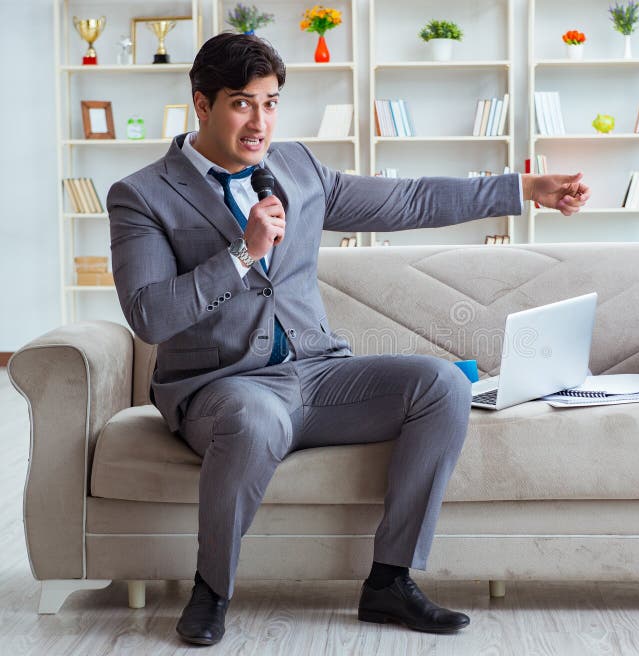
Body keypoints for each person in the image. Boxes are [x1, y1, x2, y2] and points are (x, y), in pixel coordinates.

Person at [107, 33, 590, 647]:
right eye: (241, 103)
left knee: (441, 384)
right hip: (223, 385)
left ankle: (390, 581)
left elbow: (408, 200)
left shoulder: (298, 169)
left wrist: (523, 189)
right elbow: (149, 316)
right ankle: (211, 590)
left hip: (317, 373)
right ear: (202, 104)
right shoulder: (143, 194)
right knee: (254, 422)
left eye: (271, 103)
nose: (260, 122)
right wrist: (241, 254)